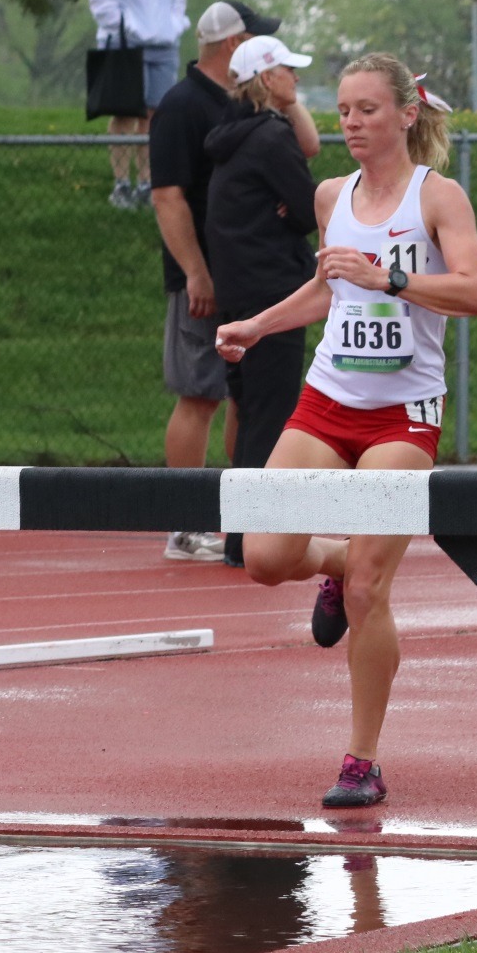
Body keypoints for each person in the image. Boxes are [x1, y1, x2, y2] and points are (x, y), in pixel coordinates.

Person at [215, 54, 477, 808]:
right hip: (328, 399)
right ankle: (336, 560)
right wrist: (256, 325)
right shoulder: (331, 195)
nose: (351, 123)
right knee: (264, 556)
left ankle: (361, 761)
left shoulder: (438, 197)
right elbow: (325, 289)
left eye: (367, 109)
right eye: (343, 111)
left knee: (372, 588)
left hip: (404, 413)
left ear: (406, 113)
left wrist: (392, 278)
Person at [148, 0, 289, 563]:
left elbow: (303, 148)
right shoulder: (182, 105)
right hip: (205, 277)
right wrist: (195, 272)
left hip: (243, 275)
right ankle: (185, 526)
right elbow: (167, 196)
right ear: (234, 45)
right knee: (200, 394)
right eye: (256, 39)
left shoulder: (238, 102)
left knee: (242, 397)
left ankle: (239, 517)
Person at [204, 36, 321, 566]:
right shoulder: (272, 137)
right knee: (271, 415)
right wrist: (293, 210)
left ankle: (238, 536)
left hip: (236, 291)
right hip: (273, 293)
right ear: (268, 79)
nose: (296, 79)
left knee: (252, 413)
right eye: (288, 71)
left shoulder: (232, 135)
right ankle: (251, 540)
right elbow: (310, 209)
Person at [87, 0, 187, 210]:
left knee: (156, 116)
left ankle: (147, 183)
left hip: (164, 46)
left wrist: (173, 25)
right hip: (125, 46)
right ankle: (121, 184)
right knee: (125, 112)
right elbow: (102, 3)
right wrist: (132, 28)